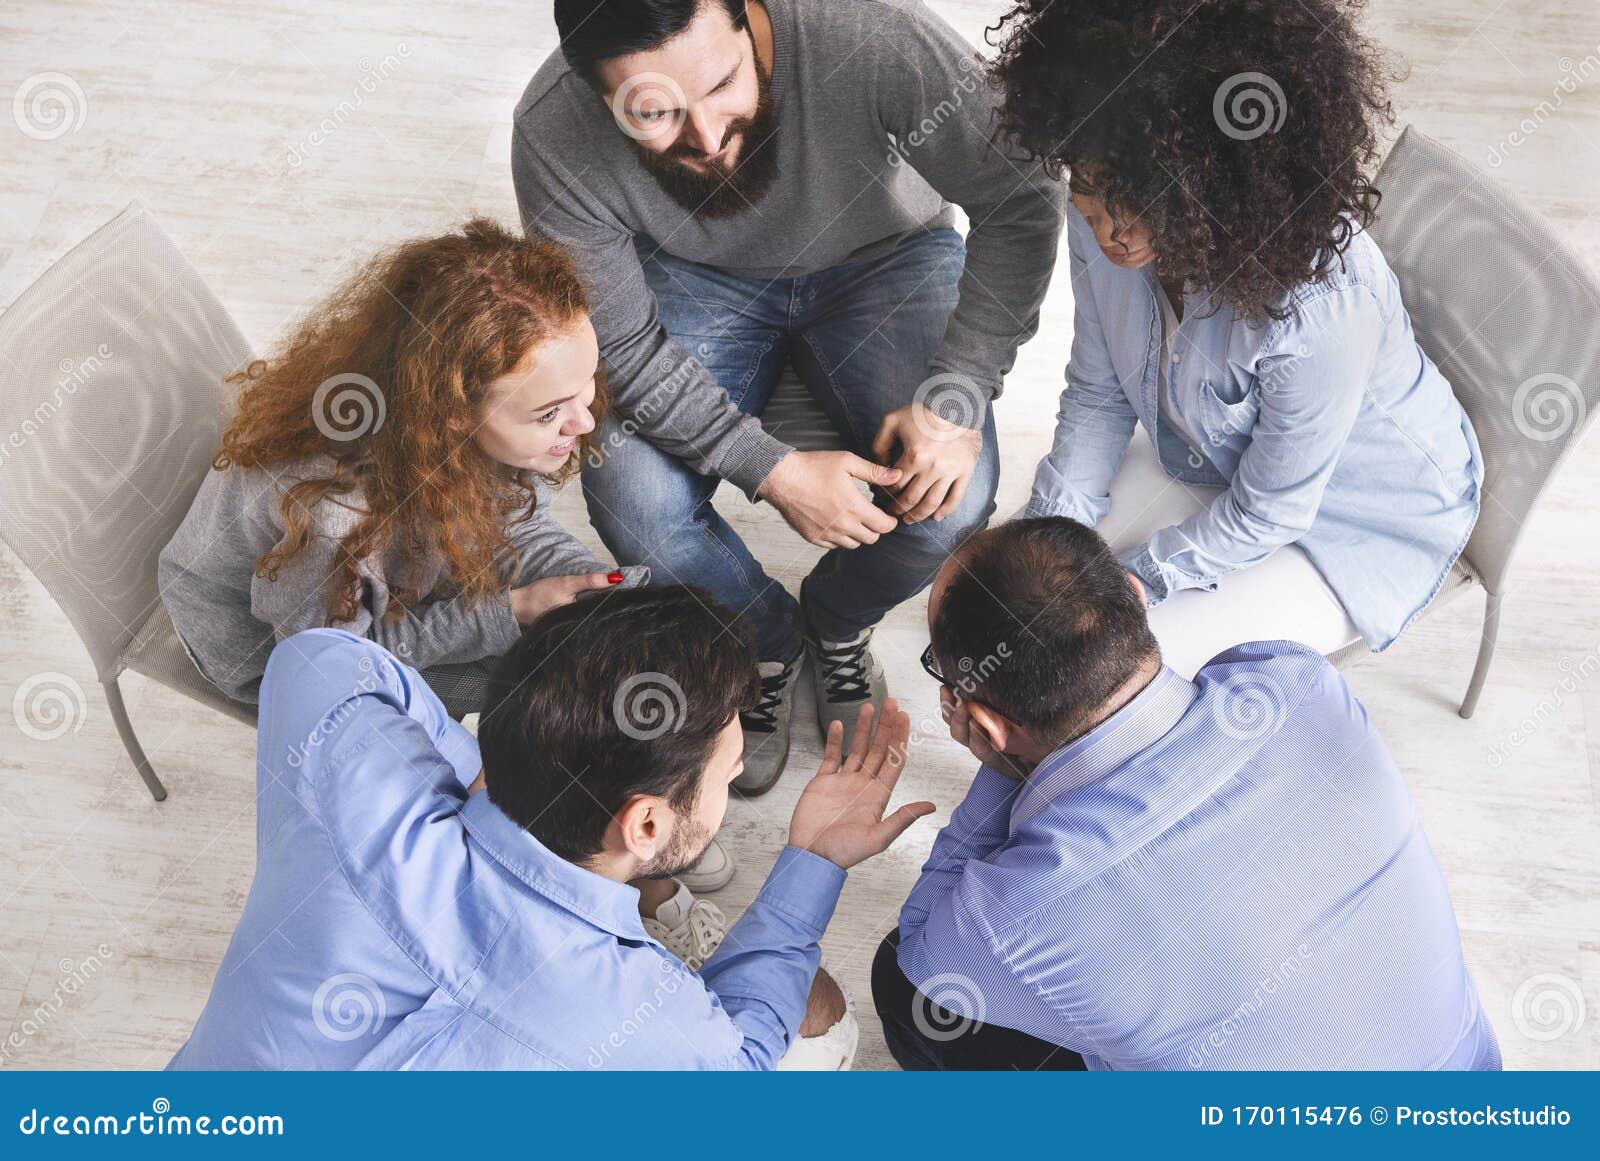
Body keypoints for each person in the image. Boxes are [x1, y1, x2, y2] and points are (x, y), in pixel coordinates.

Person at [513, 0, 1066, 794]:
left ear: (747, 16)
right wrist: (767, 467)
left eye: (724, 84)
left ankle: (837, 624)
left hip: (886, 255)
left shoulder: (871, 39)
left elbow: (1021, 196)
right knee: (632, 503)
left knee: (954, 496)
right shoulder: (552, 130)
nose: (707, 137)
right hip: (694, 275)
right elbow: (623, 345)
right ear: (593, 94)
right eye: (656, 113)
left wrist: (958, 393)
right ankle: (766, 641)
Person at [168, 586, 935, 1070]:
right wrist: (811, 858)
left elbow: (318, 656)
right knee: (819, 1026)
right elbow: (740, 1063)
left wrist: (509, 763)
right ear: (643, 821)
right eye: (728, 775)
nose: (734, 780)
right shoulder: (650, 1027)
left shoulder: (348, 765)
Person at [874, 517, 1501, 1071]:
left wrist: (1003, 760)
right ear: (1138, 598)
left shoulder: (1012, 915)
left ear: (982, 723)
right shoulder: (1296, 683)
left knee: (902, 986)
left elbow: (925, 948)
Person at [990, 0, 1481, 673]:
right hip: (1212, 463)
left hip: (1354, 518)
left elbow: (1270, 512)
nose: (1109, 233)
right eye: (1092, 194)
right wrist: (1050, 533)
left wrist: (1135, 579)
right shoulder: (1098, 202)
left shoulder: (1318, 306)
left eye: (1141, 202)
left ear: (1215, 184)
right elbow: (1099, 397)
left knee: (1115, 671)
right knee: (1022, 584)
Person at [159, 217, 645, 721]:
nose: (584, 420)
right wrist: (512, 610)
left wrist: (582, 584)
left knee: (569, 658)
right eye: (548, 414)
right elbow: (330, 666)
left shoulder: (476, 416)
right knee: (539, 691)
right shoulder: (331, 520)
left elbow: (512, 522)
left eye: (586, 382)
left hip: (380, 585)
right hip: (283, 653)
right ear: (454, 408)